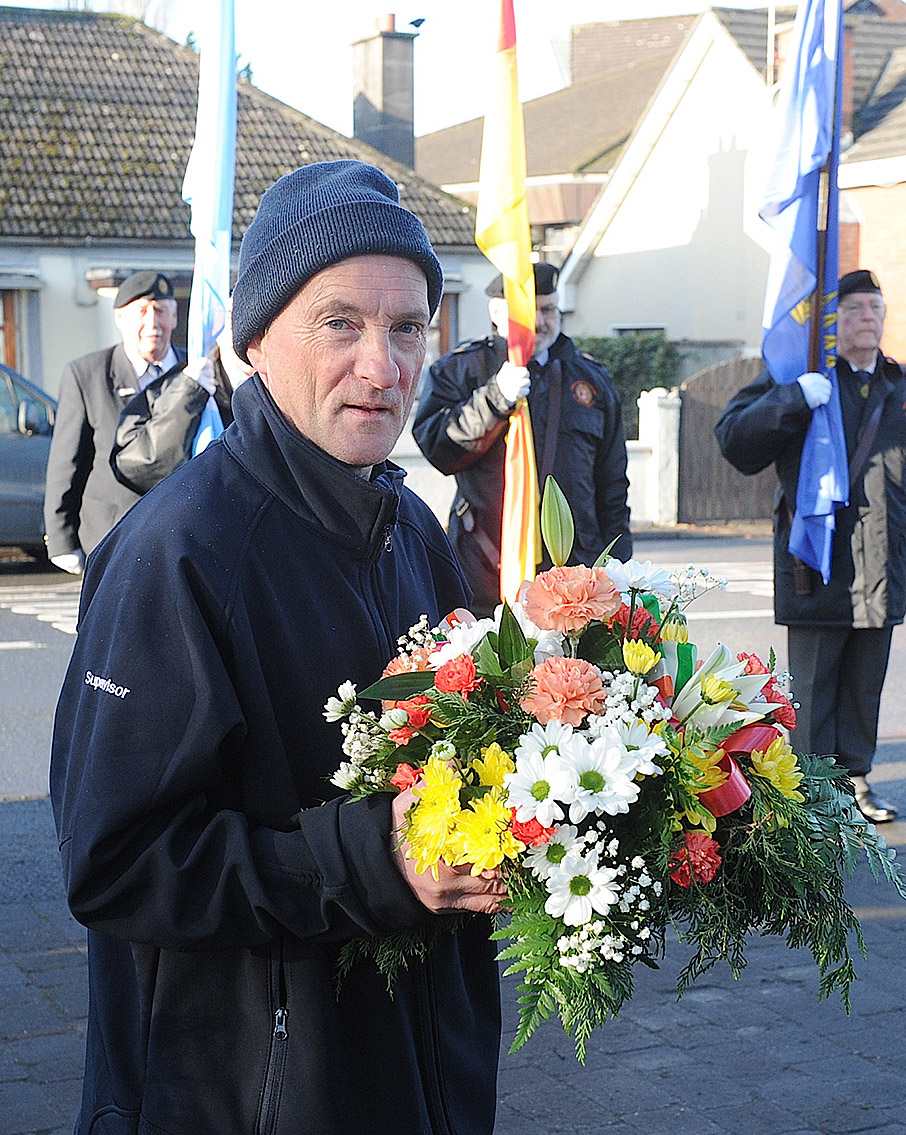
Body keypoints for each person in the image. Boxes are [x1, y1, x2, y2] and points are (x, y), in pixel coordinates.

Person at [49, 160, 505, 1135]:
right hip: (250, 1094)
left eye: (408, 326)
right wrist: (378, 861)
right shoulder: (178, 552)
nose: (383, 366)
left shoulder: (412, 528)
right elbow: (113, 862)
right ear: (256, 338)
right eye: (340, 323)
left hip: (421, 1070)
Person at [715, 269, 903, 823]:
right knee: (812, 696)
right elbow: (736, 439)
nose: (864, 317)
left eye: (873, 307)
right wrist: (794, 398)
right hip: (817, 566)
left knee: (864, 690)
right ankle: (810, 798)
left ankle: (857, 785)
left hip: (883, 568)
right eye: (851, 309)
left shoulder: (898, 386)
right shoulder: (799, 376)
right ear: (830, 322)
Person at [413, 262, 633, 617]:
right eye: (529, 311)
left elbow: (612, 486)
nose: (541, 322)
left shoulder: (591, 380)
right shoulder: (463, 370)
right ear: (498, 313)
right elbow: (440, 447)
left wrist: (618, 568)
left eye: (549, 310)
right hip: (486, 571)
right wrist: (494, 398)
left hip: (577, 576)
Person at [42, 271, 191, 573]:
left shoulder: (195, 374)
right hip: (111, 537)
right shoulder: (88, 374)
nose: (153, 324)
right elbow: (67, 461)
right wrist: (61, 539)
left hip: (182, 538)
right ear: (120, 319)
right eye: (141, 312)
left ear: (175, 318)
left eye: (161, 311)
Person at [110, 303, 253, 494]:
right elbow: (133, 464)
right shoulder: (181, 384)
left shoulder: (284, 386)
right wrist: (189, 395)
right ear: (220, 327)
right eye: (233, 316)